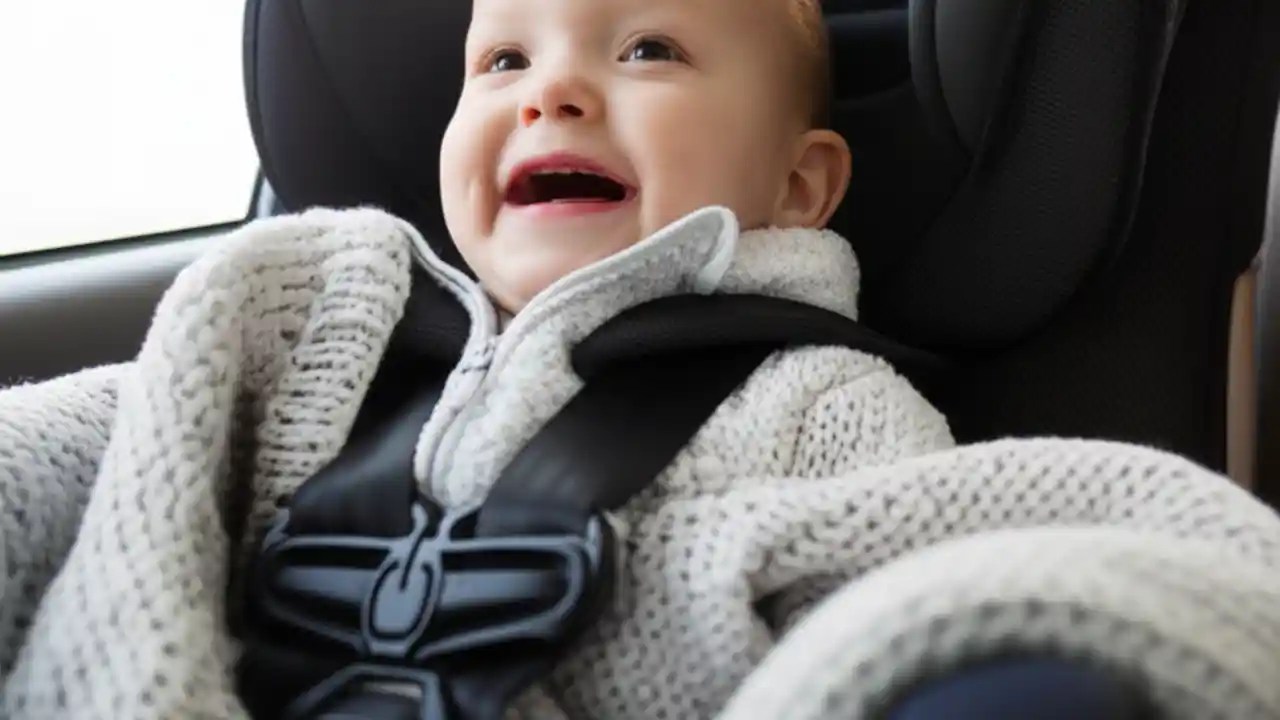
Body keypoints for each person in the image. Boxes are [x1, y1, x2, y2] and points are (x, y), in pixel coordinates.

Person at [2, 0, 1279, 718]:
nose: (548, 95)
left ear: (799, 185)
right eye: (502, 59)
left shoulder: (815, 398)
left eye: (646, 50)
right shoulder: (329, 339)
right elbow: (127, 449)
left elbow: (929, 572)